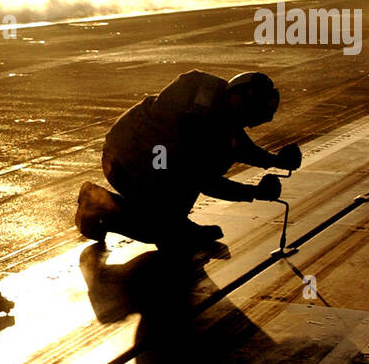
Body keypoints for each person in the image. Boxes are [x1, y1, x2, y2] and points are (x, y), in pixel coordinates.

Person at [77, 70, 301, 250]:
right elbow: (204, 181)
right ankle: (97, 204)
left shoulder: (223, 105)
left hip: (147, 157)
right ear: (238, 100)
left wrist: (276, 161)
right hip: (126, 161)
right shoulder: (195, 120)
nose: (245, 125)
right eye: (247, 118)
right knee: (157, 229)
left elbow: (239, 145)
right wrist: (254, 193)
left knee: (177, 188)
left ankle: (176, 223)